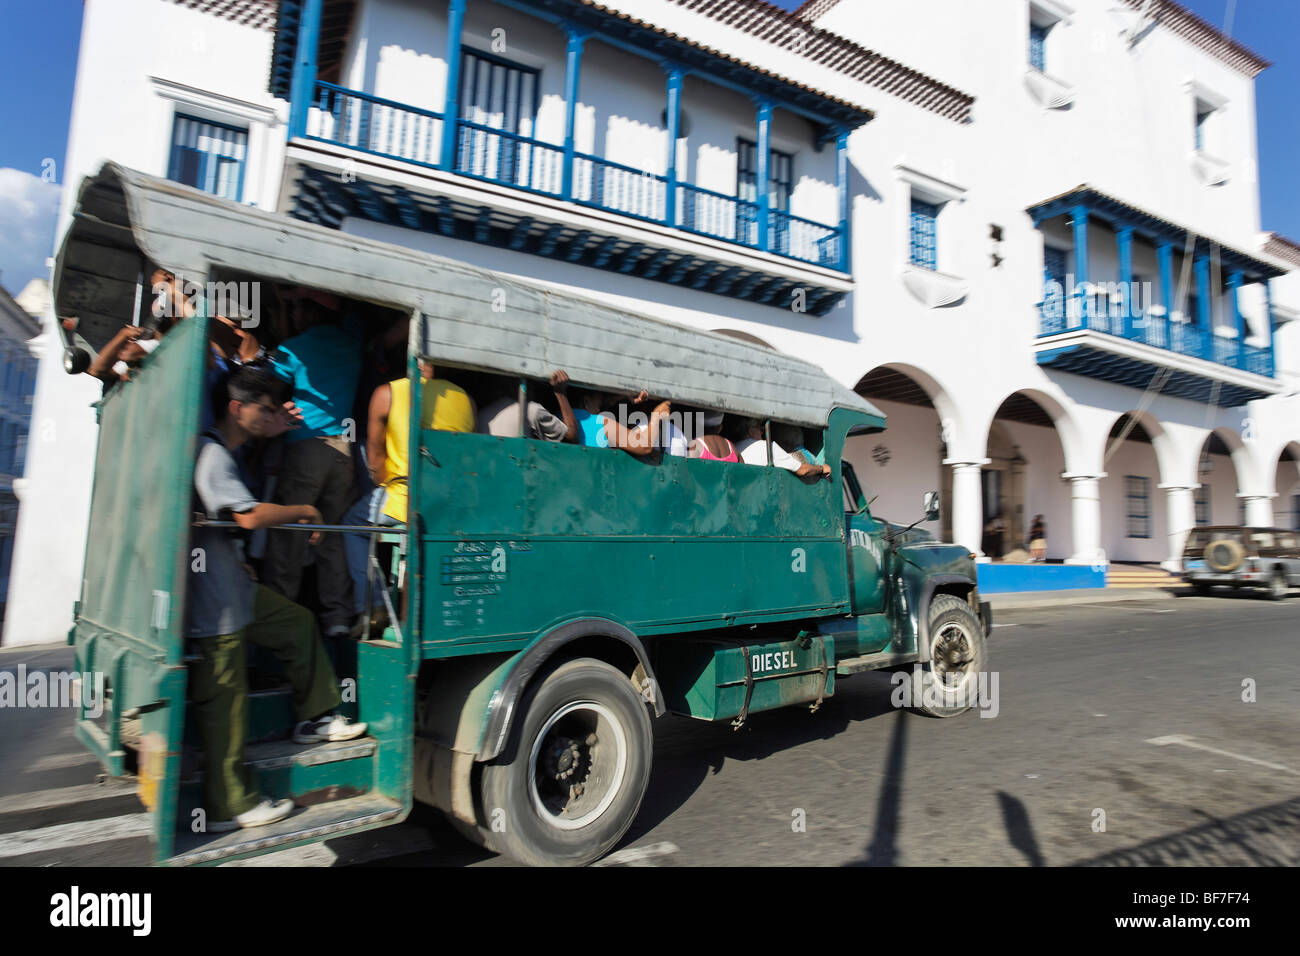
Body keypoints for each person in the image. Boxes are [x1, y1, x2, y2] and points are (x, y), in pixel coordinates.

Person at [188, 365, 366, 832]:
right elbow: (248, 517)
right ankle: (231, 806)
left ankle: (313, 718)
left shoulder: (233, 451)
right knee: (226, 706)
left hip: (236, 588)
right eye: (264, 410)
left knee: (297, 624)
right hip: (216, 609)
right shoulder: (212, 454)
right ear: (236, 408)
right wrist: (306, 509)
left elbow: (224, 524)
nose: (270, 417)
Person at [342, 359, 475, 627]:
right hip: (450, 507)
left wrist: (383, 483)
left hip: (404, 501)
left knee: (352, 523)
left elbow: (376, 462)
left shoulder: (387, 393)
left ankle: (374, 605)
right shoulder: (466, 399)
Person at [263, 290, 362, 638]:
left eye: (301, 308)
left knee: (291, 531)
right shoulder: (352, 342)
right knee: (332, 534)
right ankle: (336, 617)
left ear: (311, 311)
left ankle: (280, 614)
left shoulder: (295, 348)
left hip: (307, 446)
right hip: (344, 451)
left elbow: (271, 386)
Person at [476, 370, 577, 441]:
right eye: (533, 387)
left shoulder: (480, 415)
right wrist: (560, 393)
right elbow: (571, 438)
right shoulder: (531, 409)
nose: (535, 393)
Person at [735, 419, 831, 479]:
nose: (763, 431)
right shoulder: (765, 446)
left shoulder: (734, 447)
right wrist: (822, 469)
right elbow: (802, 470)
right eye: (760, 428)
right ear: (751, 431)